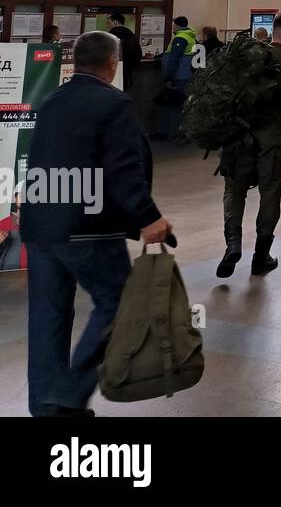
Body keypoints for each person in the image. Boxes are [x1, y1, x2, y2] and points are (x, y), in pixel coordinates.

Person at [23, 30, 171, 417]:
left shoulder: (52, 100)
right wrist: (148, 217)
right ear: (112, 62)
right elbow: (123, 167)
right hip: (85, 226)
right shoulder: (114, 103)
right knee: (119, 304)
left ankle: (45, 407)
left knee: (47, 317)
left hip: (41, 225)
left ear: (74, 62)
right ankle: (69, 394)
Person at [216, 12, 281, 278]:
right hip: (273, 136)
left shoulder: (247, 57)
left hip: (238, 135)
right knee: (270, 193)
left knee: (234, 191)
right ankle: (261, 255)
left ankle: (232, 243)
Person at [155, 15, 198, 139]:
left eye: (173, 24)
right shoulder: (191, 36)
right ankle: (178, 132)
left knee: (173, 105)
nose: (173, 27)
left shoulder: (180, 38)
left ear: (177, 25)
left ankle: (171, 132)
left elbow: (174, 59)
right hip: (185, 74)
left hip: (178, 76)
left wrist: (169, 77)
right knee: (180, 104)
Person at [107, 13, 142, 90]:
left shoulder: (110, 35)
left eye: (109, 23)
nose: (108, 25)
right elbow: (138, 53)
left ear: (116, 22)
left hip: (113, 69)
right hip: (128, 68)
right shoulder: (131, 34)